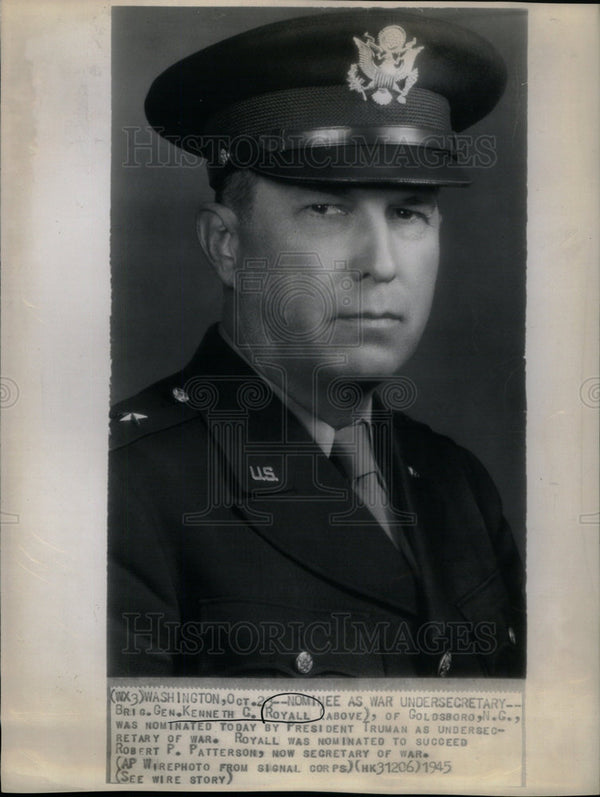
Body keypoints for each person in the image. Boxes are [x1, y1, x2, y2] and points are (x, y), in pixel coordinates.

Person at [108, 8, 525, 678]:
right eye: (327, 208)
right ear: (226, 244)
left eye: (408, 211)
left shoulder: (457, 483)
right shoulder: (120, 490)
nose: (381, 263)